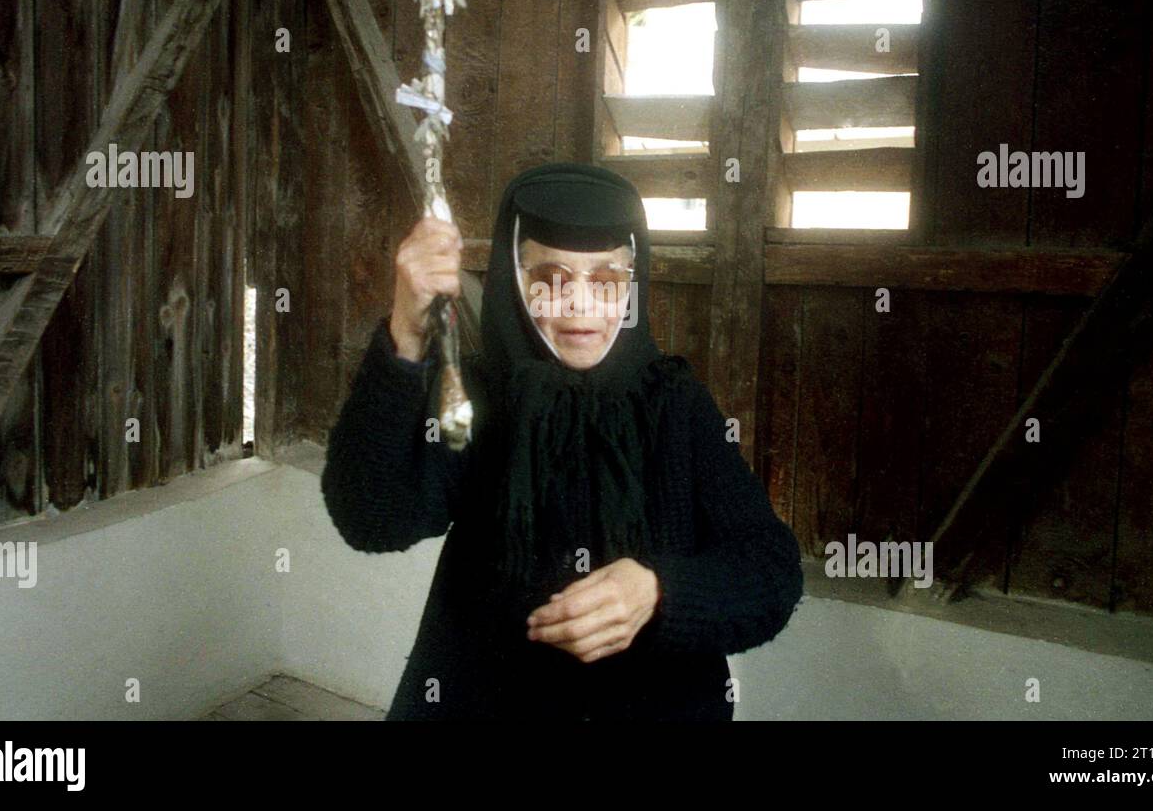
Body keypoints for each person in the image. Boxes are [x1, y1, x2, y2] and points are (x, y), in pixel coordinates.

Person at [321, 162, 804, 720]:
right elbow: (370, 518)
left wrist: (659, 593)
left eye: (605, 280)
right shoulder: (477, 395)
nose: (579, 304)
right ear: (515, 280)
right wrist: (405, 330)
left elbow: (771, 568)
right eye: (550, 277)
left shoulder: (675, 403)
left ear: (633, 283)